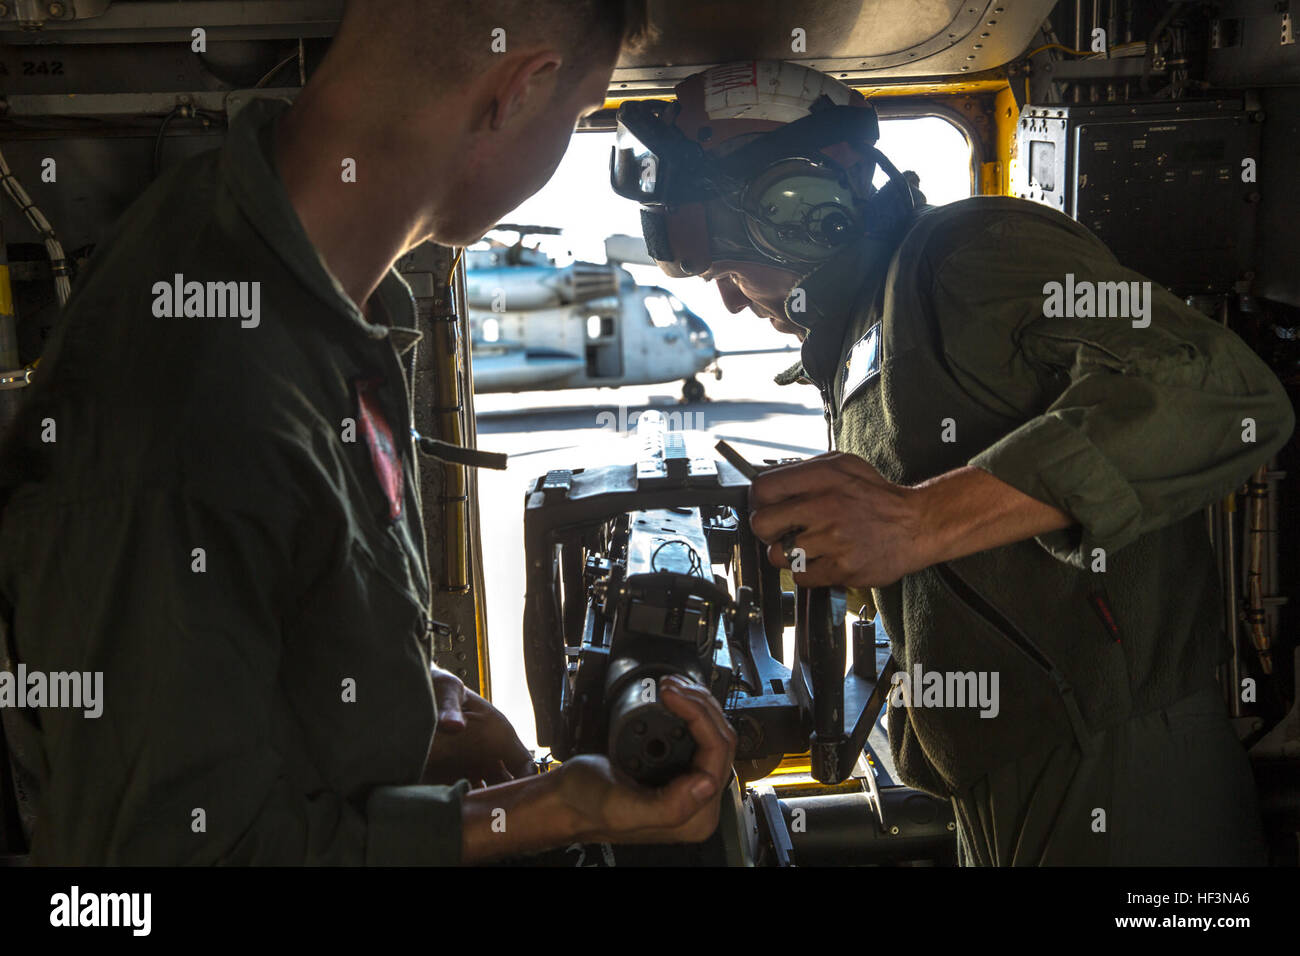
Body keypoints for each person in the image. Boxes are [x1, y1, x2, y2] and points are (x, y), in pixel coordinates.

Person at [0, 0, 736, 865]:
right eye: (574, 117)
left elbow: (251, 624)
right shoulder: (197, 404)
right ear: (521, 87)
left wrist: (409, 702)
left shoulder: (290, 272)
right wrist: (558, 808)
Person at [613, 59, 1295, 865]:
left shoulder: (970, 252)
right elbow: (959, 554)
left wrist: (915, 520)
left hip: (1116, 768)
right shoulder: (871, 323)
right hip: (995, 784)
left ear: (803, 210)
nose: (729, 302)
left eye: (729, 270)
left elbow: (1218, 391)